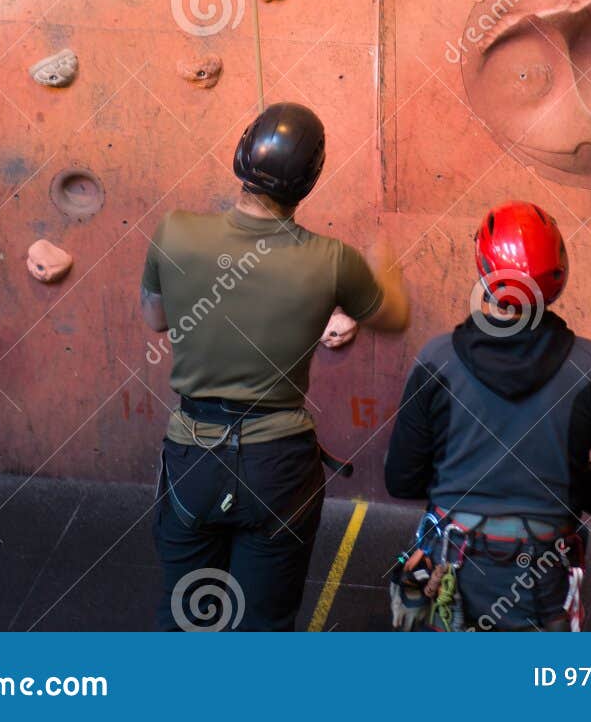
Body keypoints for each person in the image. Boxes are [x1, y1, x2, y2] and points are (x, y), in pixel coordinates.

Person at [140, 103, 409, 631]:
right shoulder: (334, 260)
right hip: (278, 466)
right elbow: (393, 317)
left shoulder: (174, 232)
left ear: (241, 155)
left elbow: (155, 318)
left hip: (194, 454)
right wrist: (388, 264)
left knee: (187, 618)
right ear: (309, 179)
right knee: (265, 626)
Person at [384, 201, 591, 631]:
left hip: (451, 571)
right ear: (559, 273)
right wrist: (562, 489)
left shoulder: (436, 361)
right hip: (543, 574)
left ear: (484, 270)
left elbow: (402, 479)